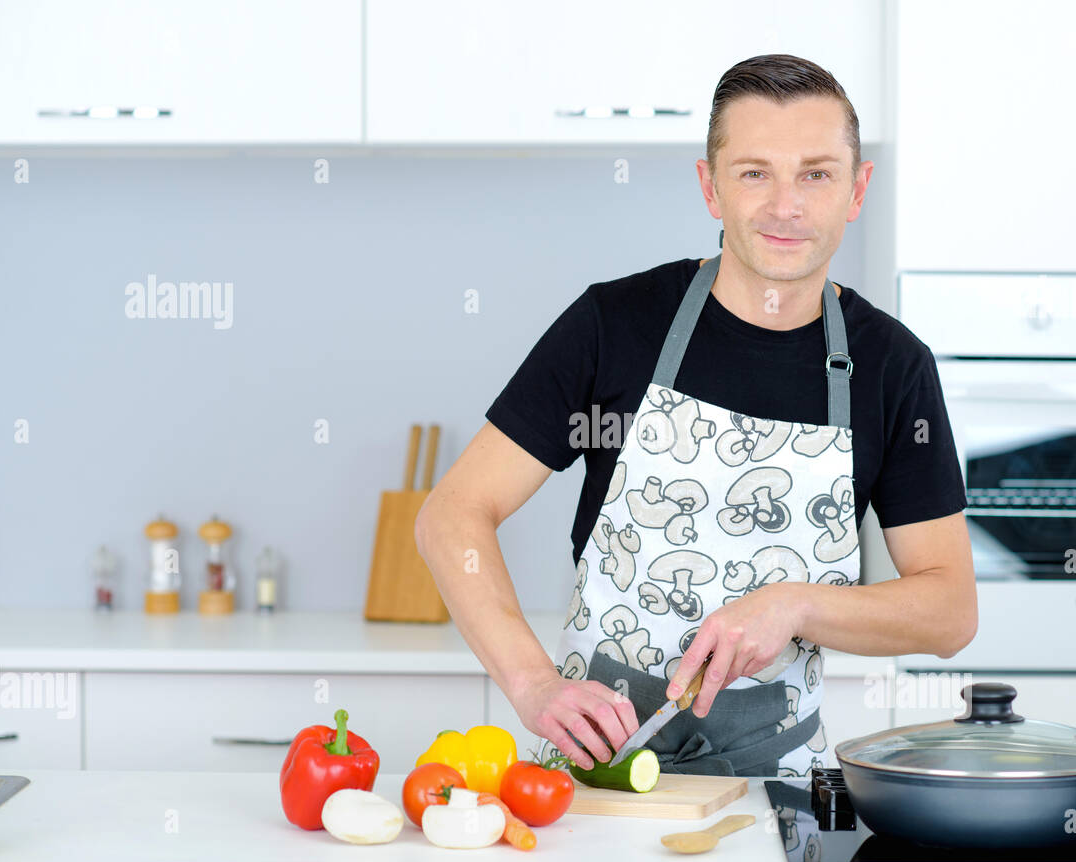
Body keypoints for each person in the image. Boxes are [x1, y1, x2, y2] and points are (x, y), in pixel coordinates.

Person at [415, 53, 977, 777]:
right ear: (710, 187)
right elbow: (452, 514)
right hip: (592, 777)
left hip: (781, 791)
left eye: (815, 173)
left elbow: (949, 608)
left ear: (856, 189)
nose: (785, 205)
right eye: (753, 172)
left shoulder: (894, 367)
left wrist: (795, 606)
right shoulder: (612, 324)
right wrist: (533, 683)